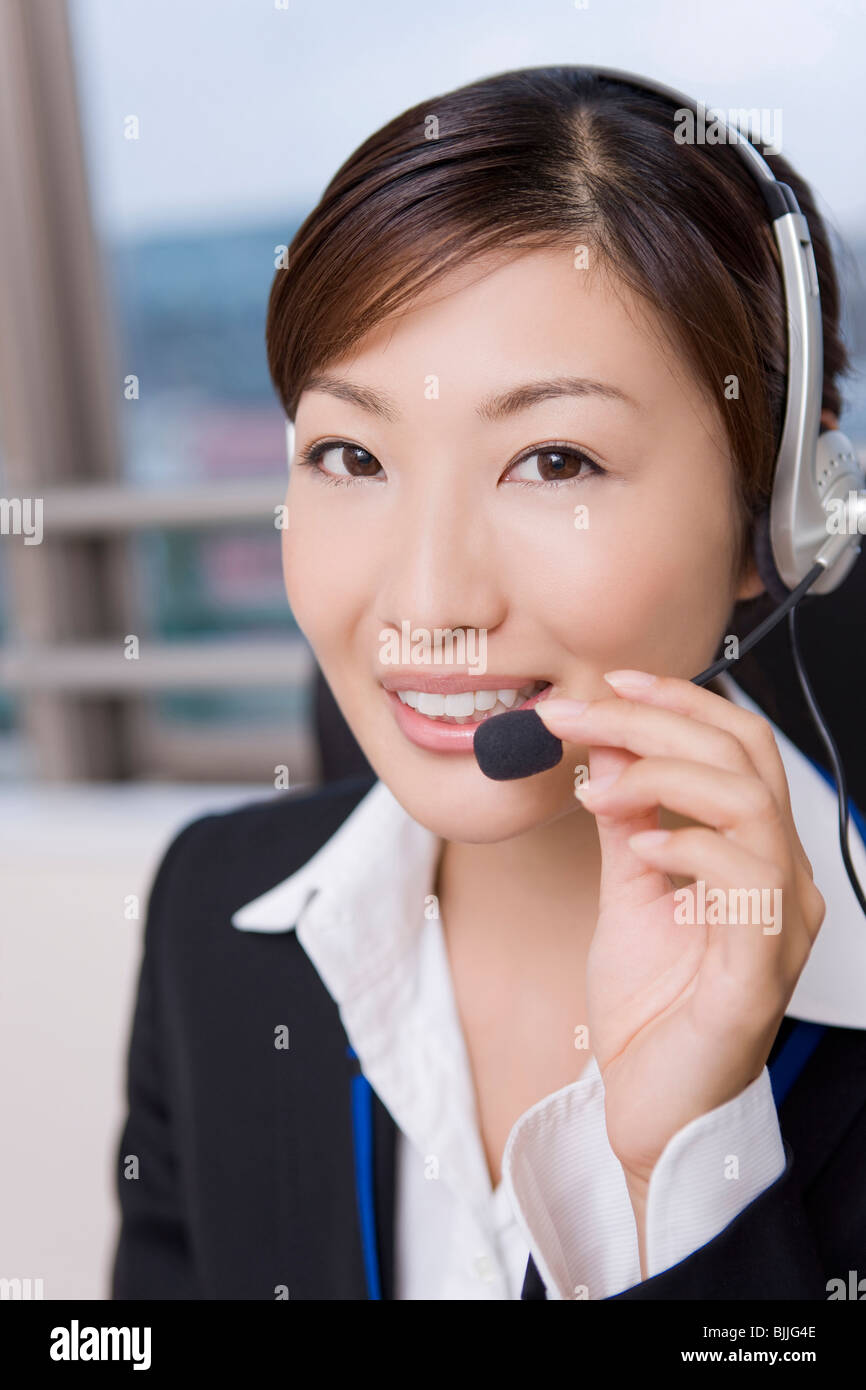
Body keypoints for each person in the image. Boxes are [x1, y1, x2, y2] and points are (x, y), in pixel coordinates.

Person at [111, 65, 866, 1301]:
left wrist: (682, 1169)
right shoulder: (214, 917)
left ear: (774, 523)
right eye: (349, 453)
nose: (426, 600)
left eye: (551, 459)